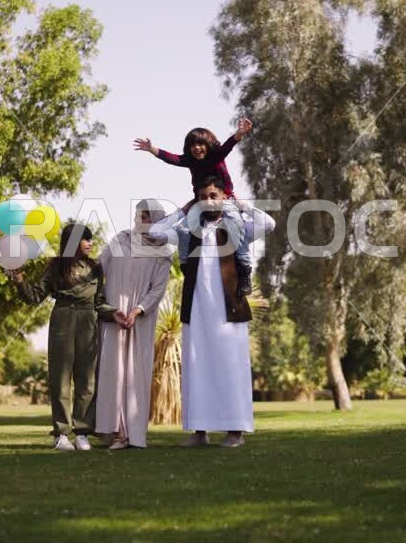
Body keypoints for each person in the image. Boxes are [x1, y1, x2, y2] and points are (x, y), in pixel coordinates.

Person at [149, 175, 275, 448]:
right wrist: (183, 210)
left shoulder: (237, 227)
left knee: (231, 367)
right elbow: (156, 233)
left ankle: (235, 431)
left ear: (222, 197)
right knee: (197, 368)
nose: (208, 201)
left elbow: (268, 223)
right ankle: (199, 431)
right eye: (203, 196)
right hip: (197, 311)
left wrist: (240, 204)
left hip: (230, 309)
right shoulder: (187, 231)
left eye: (213, 196)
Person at [7, 223, 116, 452]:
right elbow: (35, 296)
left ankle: (82, 433)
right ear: (73, 242)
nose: (90, 243)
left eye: (90, 239)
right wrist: (19, 282)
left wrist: (115, 313)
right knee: (61, 378)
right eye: (85, 239)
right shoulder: (56, 266)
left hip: (89, 320)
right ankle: (61, 434)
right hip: (63, 318)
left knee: (87, 380)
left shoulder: (96, 267)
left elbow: (99, 301)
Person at [134, 118, 255, 296]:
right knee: (183, 229)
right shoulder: (190, 161)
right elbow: (172, 158)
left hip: (226, 199)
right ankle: (186, 266)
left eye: (201, 144)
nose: (197, 148)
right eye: (193, 145)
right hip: (199, 203)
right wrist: (152, 149)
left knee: (237, 226)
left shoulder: (216, 156)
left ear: (208, 145)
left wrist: (239, 134)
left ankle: (245, 271)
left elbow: (227, 146)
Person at [94, 200, 173, 450]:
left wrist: (138, 310)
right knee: (112, 371)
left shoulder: (163, 253)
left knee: (134, 372)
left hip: (141, 319)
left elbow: (158, 289)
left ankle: (131, 433)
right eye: (140, 215)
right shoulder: (121, 240)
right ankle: (113, 430)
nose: (142, 221)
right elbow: (97, 268)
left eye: (149, 217)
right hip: (114, 315)